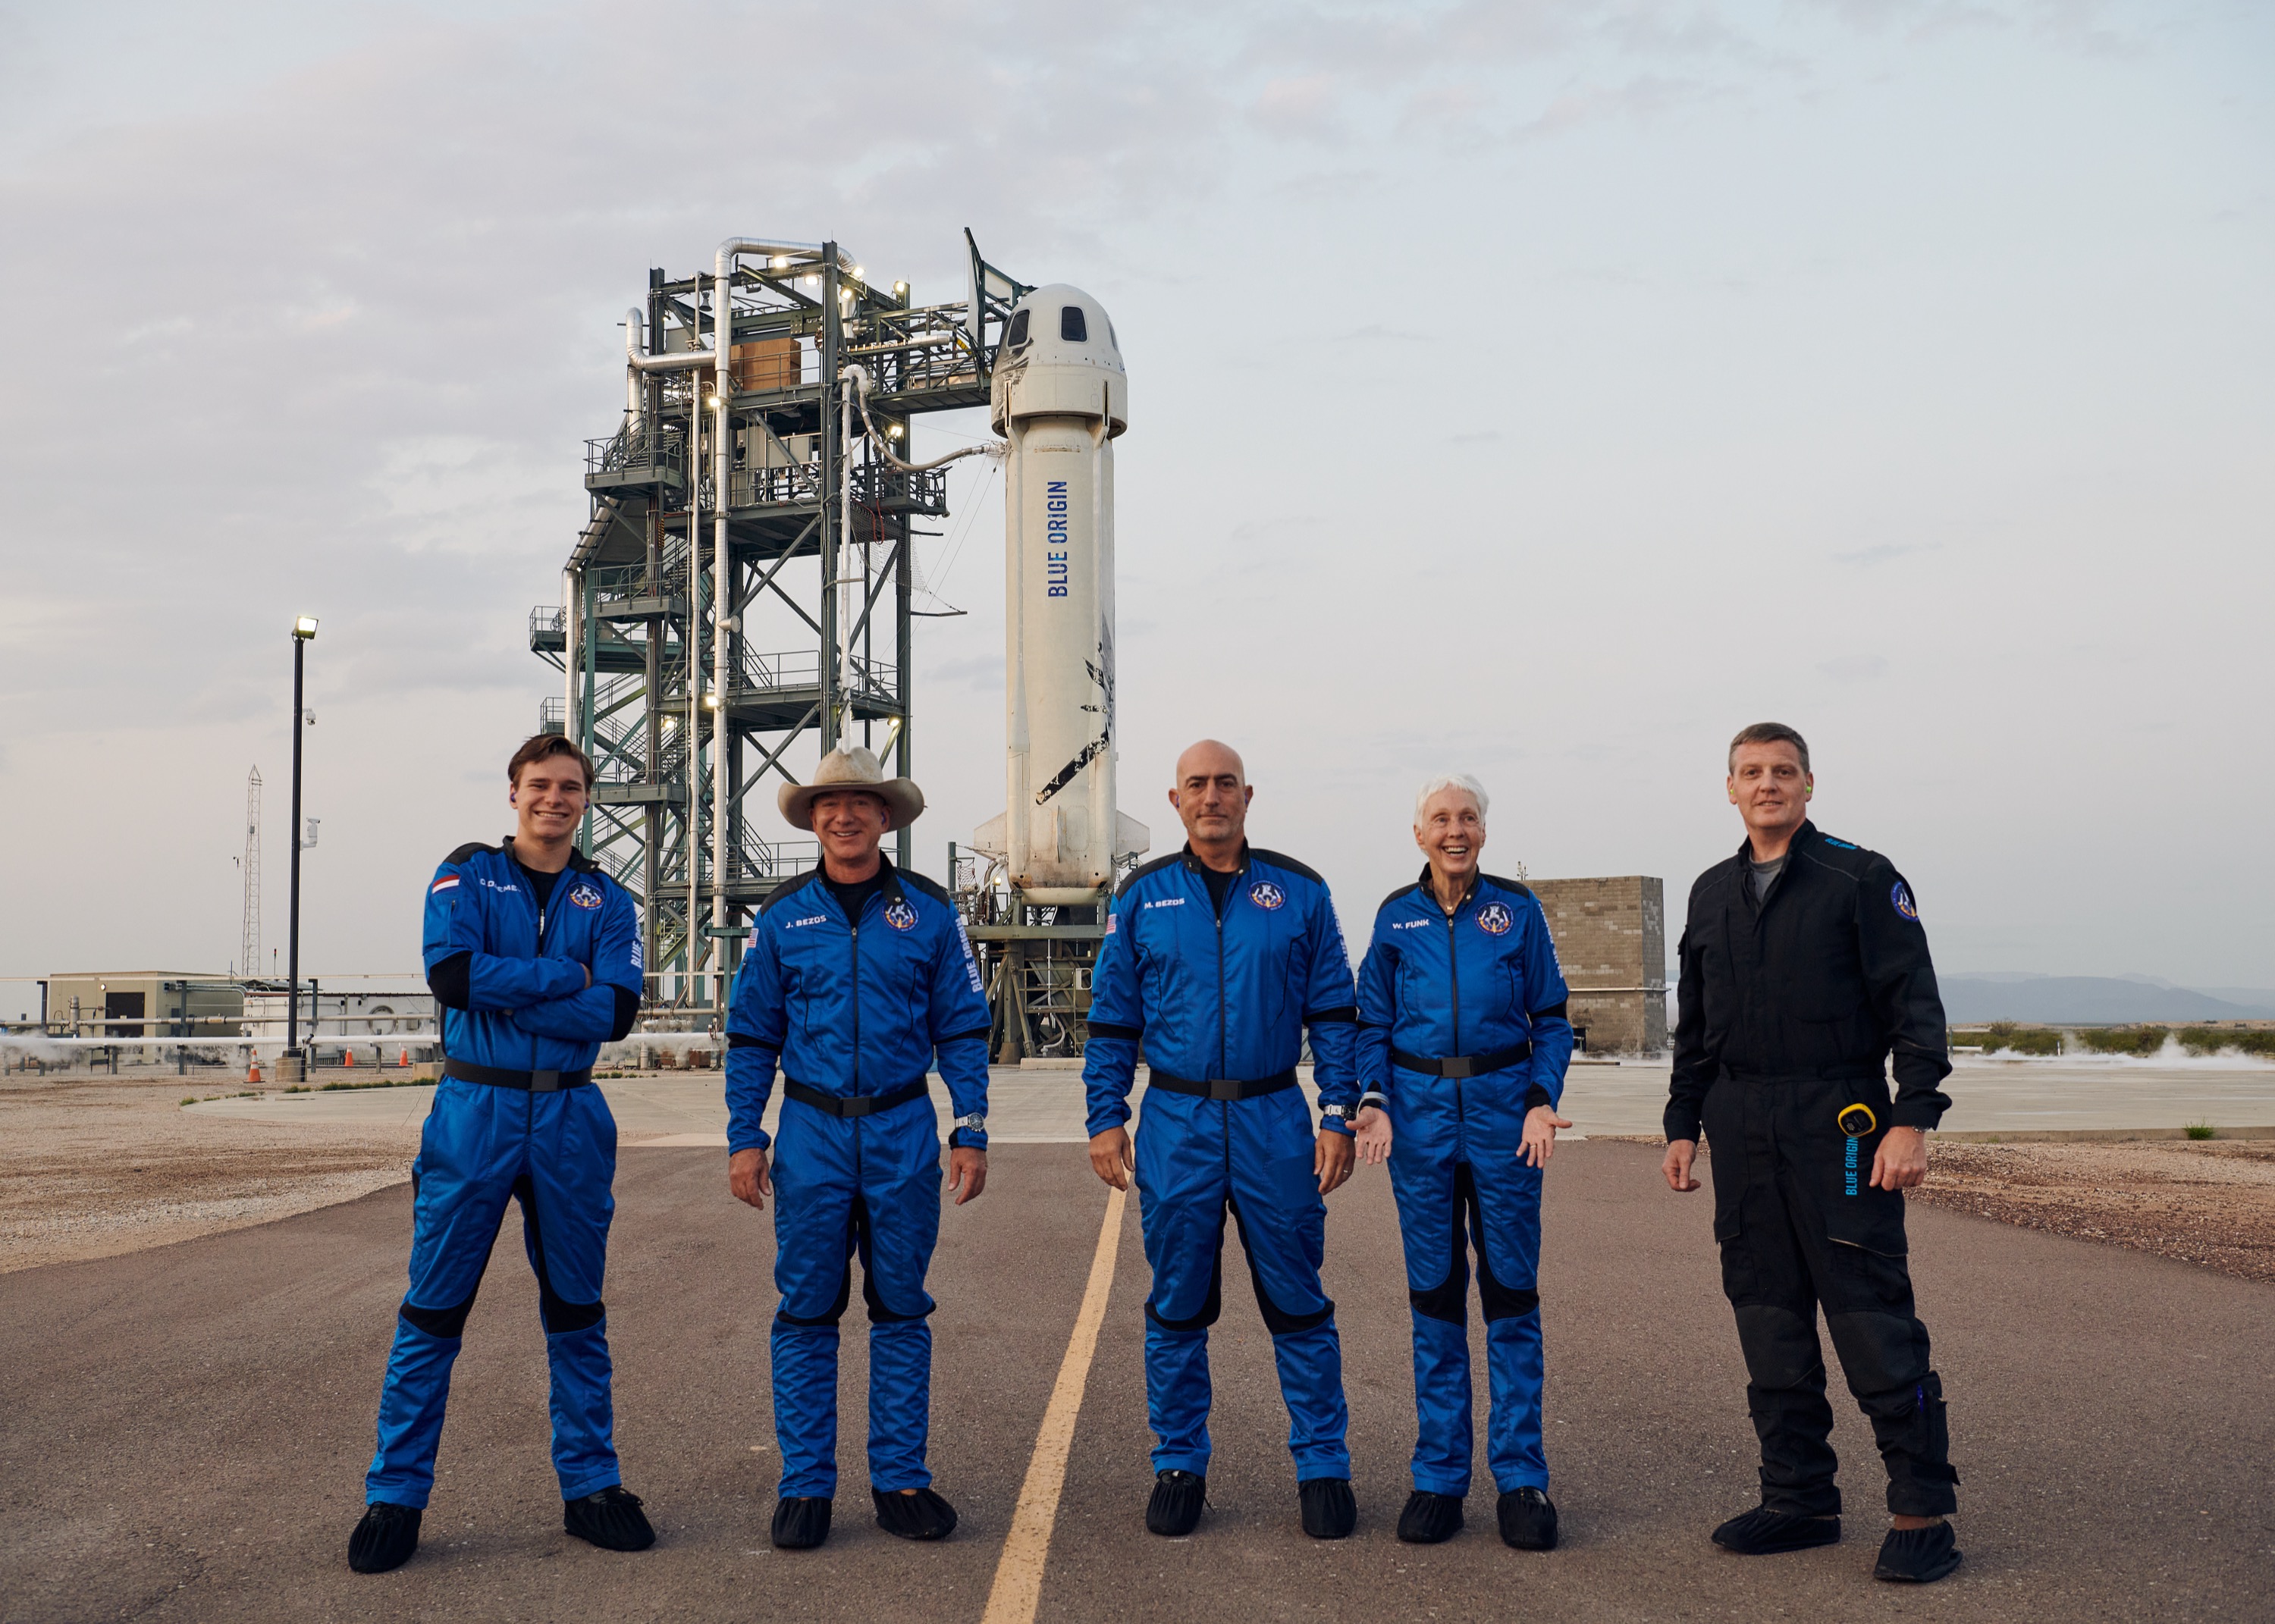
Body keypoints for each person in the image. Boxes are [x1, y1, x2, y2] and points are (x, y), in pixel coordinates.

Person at [1663, 723, 1962, 1585]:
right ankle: (1798, 1499)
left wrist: (1912, 1118)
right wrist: (1684, 1123)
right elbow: (1697, 1029)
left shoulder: (1860, 877)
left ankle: (1920, 1511)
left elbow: (1917, 1008)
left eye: (1783, 772)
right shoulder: (1710, 892)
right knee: (1767, 1315)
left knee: (1871, 1318)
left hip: (1841, 1118)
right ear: (1729, 788)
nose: (1768, 785)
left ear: (1808, 784)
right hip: (1740, 1121)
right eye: (1751, 773)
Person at [350, 734, 650, 1575]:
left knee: (577, 1311)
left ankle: (592, 1485)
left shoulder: (608, 899)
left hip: (570, 1116)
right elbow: (452, 979)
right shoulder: (467, 874)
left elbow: (618, 1016)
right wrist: (567, 981)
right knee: (434, 1311)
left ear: (586, 799)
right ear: (513, 794)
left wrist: (512, 984)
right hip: (474, 1111)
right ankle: (395, 1495)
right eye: (540, 785)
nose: (555, 799)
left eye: (571, 788)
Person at [1082, 739, 1364, 1541]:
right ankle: (1179, 1463)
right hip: (1177, 1122)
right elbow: (1110, 1024)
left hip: (1276, 1118)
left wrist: (1338, 1113)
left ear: (1248, 797)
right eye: (1196, 785)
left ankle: (1322, 1464)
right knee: (1176, 1304)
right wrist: (1106, 1117)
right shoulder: (1143, 899)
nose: (1212, 797)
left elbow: (1335, 1017)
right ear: (1174, 802)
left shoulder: (1300, 894)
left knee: (1298, 1300)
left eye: (1226, 784)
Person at [724, 745, 992, 1551]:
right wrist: (747, 1137)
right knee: (807, 1308)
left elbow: (964, 1029)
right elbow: (750, 1038)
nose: (844, 816)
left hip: (903, 1128)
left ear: (886, 817)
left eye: (861, 803)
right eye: (828, 804)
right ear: (813, 818)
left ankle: (900, 1480)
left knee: (901, 1306)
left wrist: (970, 1127)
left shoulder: (931, 915)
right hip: (810, 1134)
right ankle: (805, 1485)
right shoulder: (780, 920)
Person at [1351, 774, 1574, 1552]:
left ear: (1483, 830)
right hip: (1418, 1130)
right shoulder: (1394, 918)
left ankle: (1522, 1479)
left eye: (1469, 818)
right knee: (1437, 1299)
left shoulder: (1517, 912)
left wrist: (1542, 1097)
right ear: (1419, 834)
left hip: (1507, 1124)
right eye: (1442, 819)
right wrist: (1371, 1099)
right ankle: (1440, 1476)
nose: (1456, 831)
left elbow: (1551, 1017)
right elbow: (1368, 1022)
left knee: (1511, 1297)